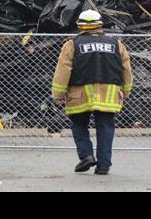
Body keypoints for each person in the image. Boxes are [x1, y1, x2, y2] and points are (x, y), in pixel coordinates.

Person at [51, 10, 133, 175]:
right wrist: (126, 90)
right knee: (105, 128)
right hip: (108, 95)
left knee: (79, 125)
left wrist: (58, 94)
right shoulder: (116, 44)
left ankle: (86, 155)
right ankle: (103, 165)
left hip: (80, 94)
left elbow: (63, 71)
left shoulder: (71, 45)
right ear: (100, 24)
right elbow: (126, 70)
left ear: (80, 25)